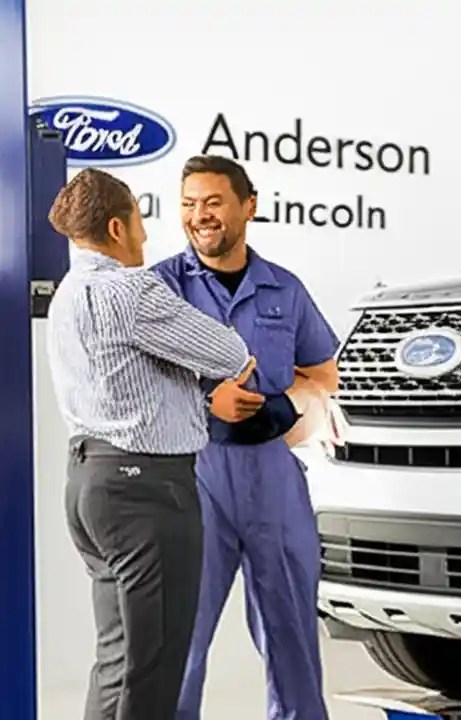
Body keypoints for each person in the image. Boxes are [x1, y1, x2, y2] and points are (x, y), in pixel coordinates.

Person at [45, 168, 267, 720]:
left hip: (90, 486)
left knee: (118, 661)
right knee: (155, 670)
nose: (147, 237)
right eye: (142, 221)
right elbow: (228, 352)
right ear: (118, 227)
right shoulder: (130, 290)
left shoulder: (69, 292)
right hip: (147, 492)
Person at [152, 155, 341, 720]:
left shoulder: (284, 288)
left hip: (272, 475)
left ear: (247, 206)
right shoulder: (161, 286)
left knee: (292, 637)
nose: (199, 216)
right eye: (188, 204)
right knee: (180, 634)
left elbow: (325, 373)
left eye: (212, 202)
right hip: (193, 474)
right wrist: (207, 401)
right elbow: (136, 379)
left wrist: (286, 405)